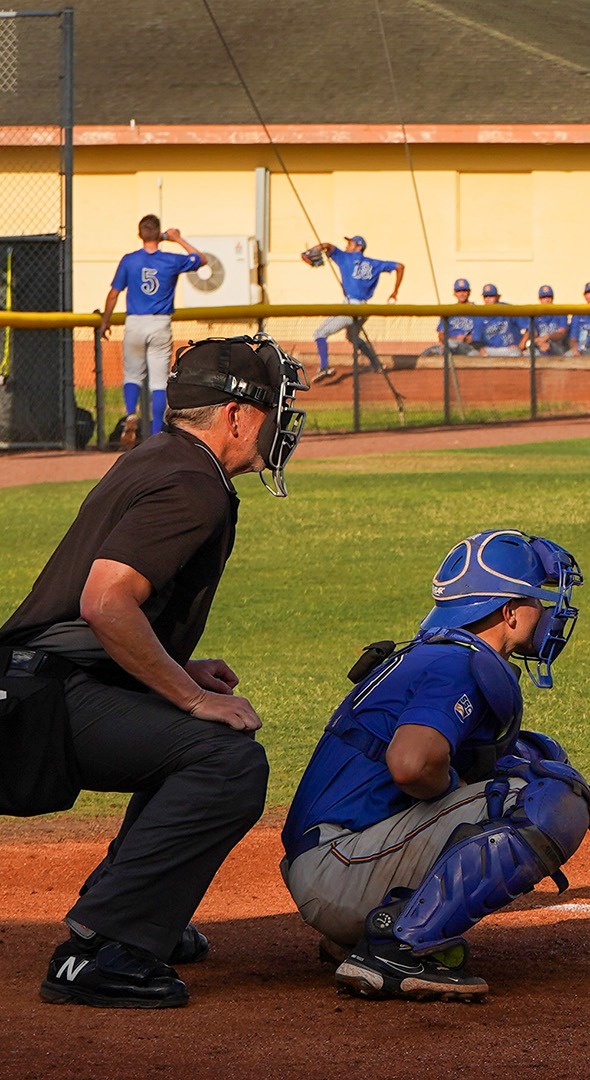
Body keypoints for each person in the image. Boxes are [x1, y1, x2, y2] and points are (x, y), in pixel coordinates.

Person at [0, 335, 309, 1007]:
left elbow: (89, 614)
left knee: (194, 742)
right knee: (225, 760)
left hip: (36, 686)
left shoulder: (162, 456)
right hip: (39, 702)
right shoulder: (193, 483)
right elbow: (104, 600)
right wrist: (190, 696)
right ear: (236, 416)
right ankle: (103, 948)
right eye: (275, 408)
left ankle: (129, 908)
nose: (282, 422)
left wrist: (180, 669)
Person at [280, 530, 590, 1001]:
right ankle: (395, 947)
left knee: (534, 759)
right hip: (339, 867)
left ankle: (366, 932)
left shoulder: (437, 653)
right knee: (548, 798)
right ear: (509, 611)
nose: (550, 614)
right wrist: (459, 786)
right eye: (539, 601)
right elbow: (410, 764)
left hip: (331, 859)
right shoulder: (457, 665)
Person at [98, 215, 206, 445]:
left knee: (132, 375)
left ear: (139, 235)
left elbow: (114, 293)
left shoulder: (129, 261)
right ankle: (156, 433)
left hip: (135, 322)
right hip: (160, 323)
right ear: (159, 235)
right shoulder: (170, 260)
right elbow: (201, 259)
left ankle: (130, 414)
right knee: (158, 381)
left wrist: (105, 321)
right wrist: (177, 238)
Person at [308, 235, 404, 385]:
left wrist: (309, 252)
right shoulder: (374, 263)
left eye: (350, 243)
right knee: (353, 337)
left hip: (350, 307)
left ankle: (324, 367)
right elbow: (400, 266)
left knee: (320, 333)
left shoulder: (346, 258)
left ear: (359, 247)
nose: (347, 246)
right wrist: (395, 292)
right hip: (364, 309)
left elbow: (327, 245)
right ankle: (376, 364)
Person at [425, 278, 479, 357]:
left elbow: (479, 335)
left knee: (476, 356)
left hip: (467, 347)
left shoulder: (477, 310)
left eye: (464, 291)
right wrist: (453, 339)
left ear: (469, 292)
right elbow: (441, 335)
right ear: (454, 293)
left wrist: (466, 339)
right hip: (450, 344)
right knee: (428, 352)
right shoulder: (449, 310)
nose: (462, 294)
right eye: (459, 291)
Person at [476, 284, 529, 357]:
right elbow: (476, 339)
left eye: (491, 296)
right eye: (486, 296)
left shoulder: (508, 309)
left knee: (515, 354)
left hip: (510, 349)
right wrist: (480, 348)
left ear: (497, 297)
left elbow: (530, 327)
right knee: (478, 355)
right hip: (491, 350)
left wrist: (521, 344)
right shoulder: (480, 315)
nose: (488, 299)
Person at [531, 285, 570, 356]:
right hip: (540, 345)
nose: (547, 299)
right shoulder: (536, 315)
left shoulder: (560, 312)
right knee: (529, 354)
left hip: (556, 345)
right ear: (540, 299)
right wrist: (540, 343)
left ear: (552, 298)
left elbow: (561, 333)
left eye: (549, 297)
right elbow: (533, 336)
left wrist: (548, 337)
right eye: (544, 297)